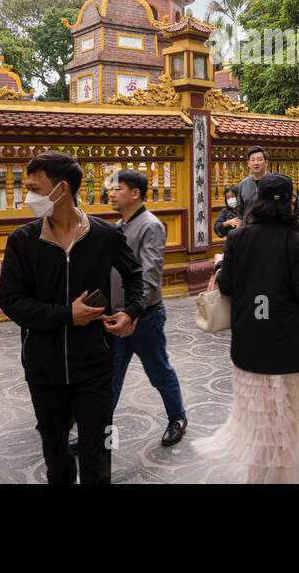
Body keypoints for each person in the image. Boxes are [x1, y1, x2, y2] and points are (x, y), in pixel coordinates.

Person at [0, 151, 145, 485]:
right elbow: (9, 300)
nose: (29, 196)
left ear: (61, 189)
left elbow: (136, 276)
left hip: (95, 363)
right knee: (55, 454)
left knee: (97, 453)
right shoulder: (22, 240)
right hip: (43, 366)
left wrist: (131, 312)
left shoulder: (104, 235)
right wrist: (67, 315)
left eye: (35, 188)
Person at [195, 174, 299, 482]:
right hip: (285, 350)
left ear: (257, 202)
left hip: (250, 347)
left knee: (258, 421)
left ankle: (257, 476)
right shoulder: (296, 241)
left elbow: (225, 285)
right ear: (289, 202)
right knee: (285, 424)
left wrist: (220, 265)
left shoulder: (237, 238)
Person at [108, 169, 187, 447]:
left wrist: (132, 312)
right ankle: (96, 431)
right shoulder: (119, 226)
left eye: (117, 189)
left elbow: (150, 274)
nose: (111, 193)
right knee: (110, 376)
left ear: (135, 193)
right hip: (118, 316)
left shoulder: (150, 226)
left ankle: (177, 417)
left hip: (144, 317)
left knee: (158, 371)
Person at [221, 146, 269, 231]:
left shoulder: (275, 182)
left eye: (259, 159)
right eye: (253, 160)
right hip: (249, 232)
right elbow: (241, 211)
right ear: (248, 163)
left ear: (266, 162)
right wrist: (238, 233)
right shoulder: (243, 184)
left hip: (270, 230)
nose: (256, 163)